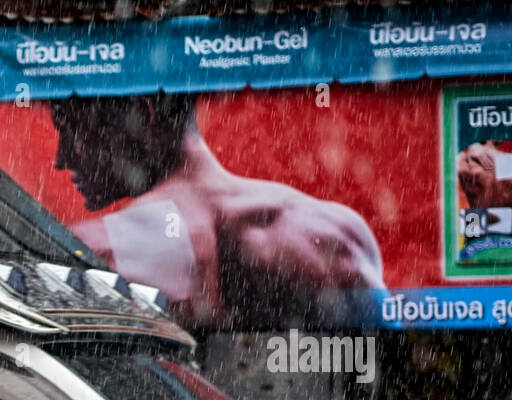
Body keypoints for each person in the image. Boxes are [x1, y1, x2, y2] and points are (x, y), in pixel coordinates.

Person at [48, 93, 384, 329]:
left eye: (71, 130)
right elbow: (373, 370)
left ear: (141, 114)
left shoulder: (92, 248)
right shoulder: (336, 233)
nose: (61, 159)